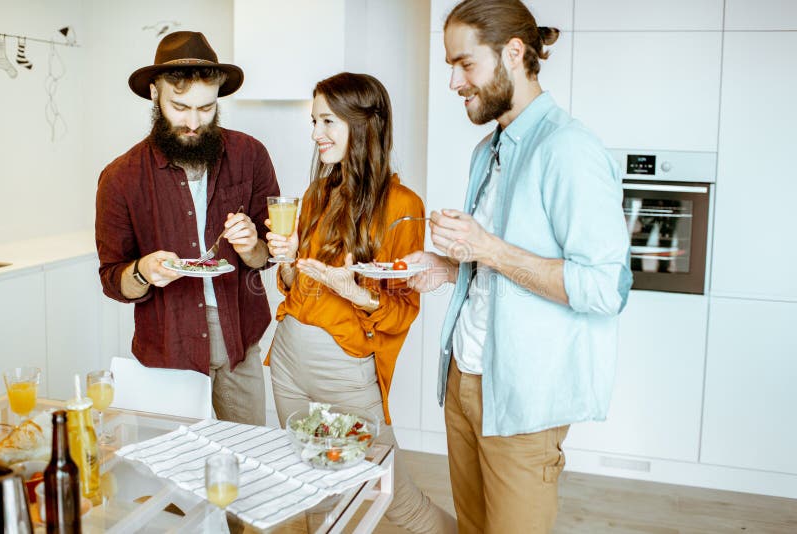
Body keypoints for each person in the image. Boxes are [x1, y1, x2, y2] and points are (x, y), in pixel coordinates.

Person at [404, 1, 633, 532]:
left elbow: (605, 288)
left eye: (465, 64)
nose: (456, 82)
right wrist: (447, 264)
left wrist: (488, 249)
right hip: (464, 377)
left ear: (513, 54)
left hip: (521, 399)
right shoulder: (488, 149)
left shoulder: (568, 148)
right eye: (450, 67)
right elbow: (493, 265)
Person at [265, 72, 457, 533]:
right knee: (306, 487)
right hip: (288, 363)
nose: (316, 134)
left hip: (345, 374)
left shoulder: (402, 206)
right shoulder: (316, 196)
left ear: (363, 123)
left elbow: (400, 312)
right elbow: (293, 288)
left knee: (393, 498)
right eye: (314, 121)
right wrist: (289, 261)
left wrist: (352, 291)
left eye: (327, 121)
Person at [95, 31, 279, 425]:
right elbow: (113, 280)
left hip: (239, 340)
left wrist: (251, 248)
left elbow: (268, 255)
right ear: (154, 94)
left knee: (247, 460)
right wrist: (144, 271)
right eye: (180, 107)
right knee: (176, 469)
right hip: (168, 345)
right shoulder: (119, 178)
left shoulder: (250, 155)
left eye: (207, 108)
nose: (194, 122)